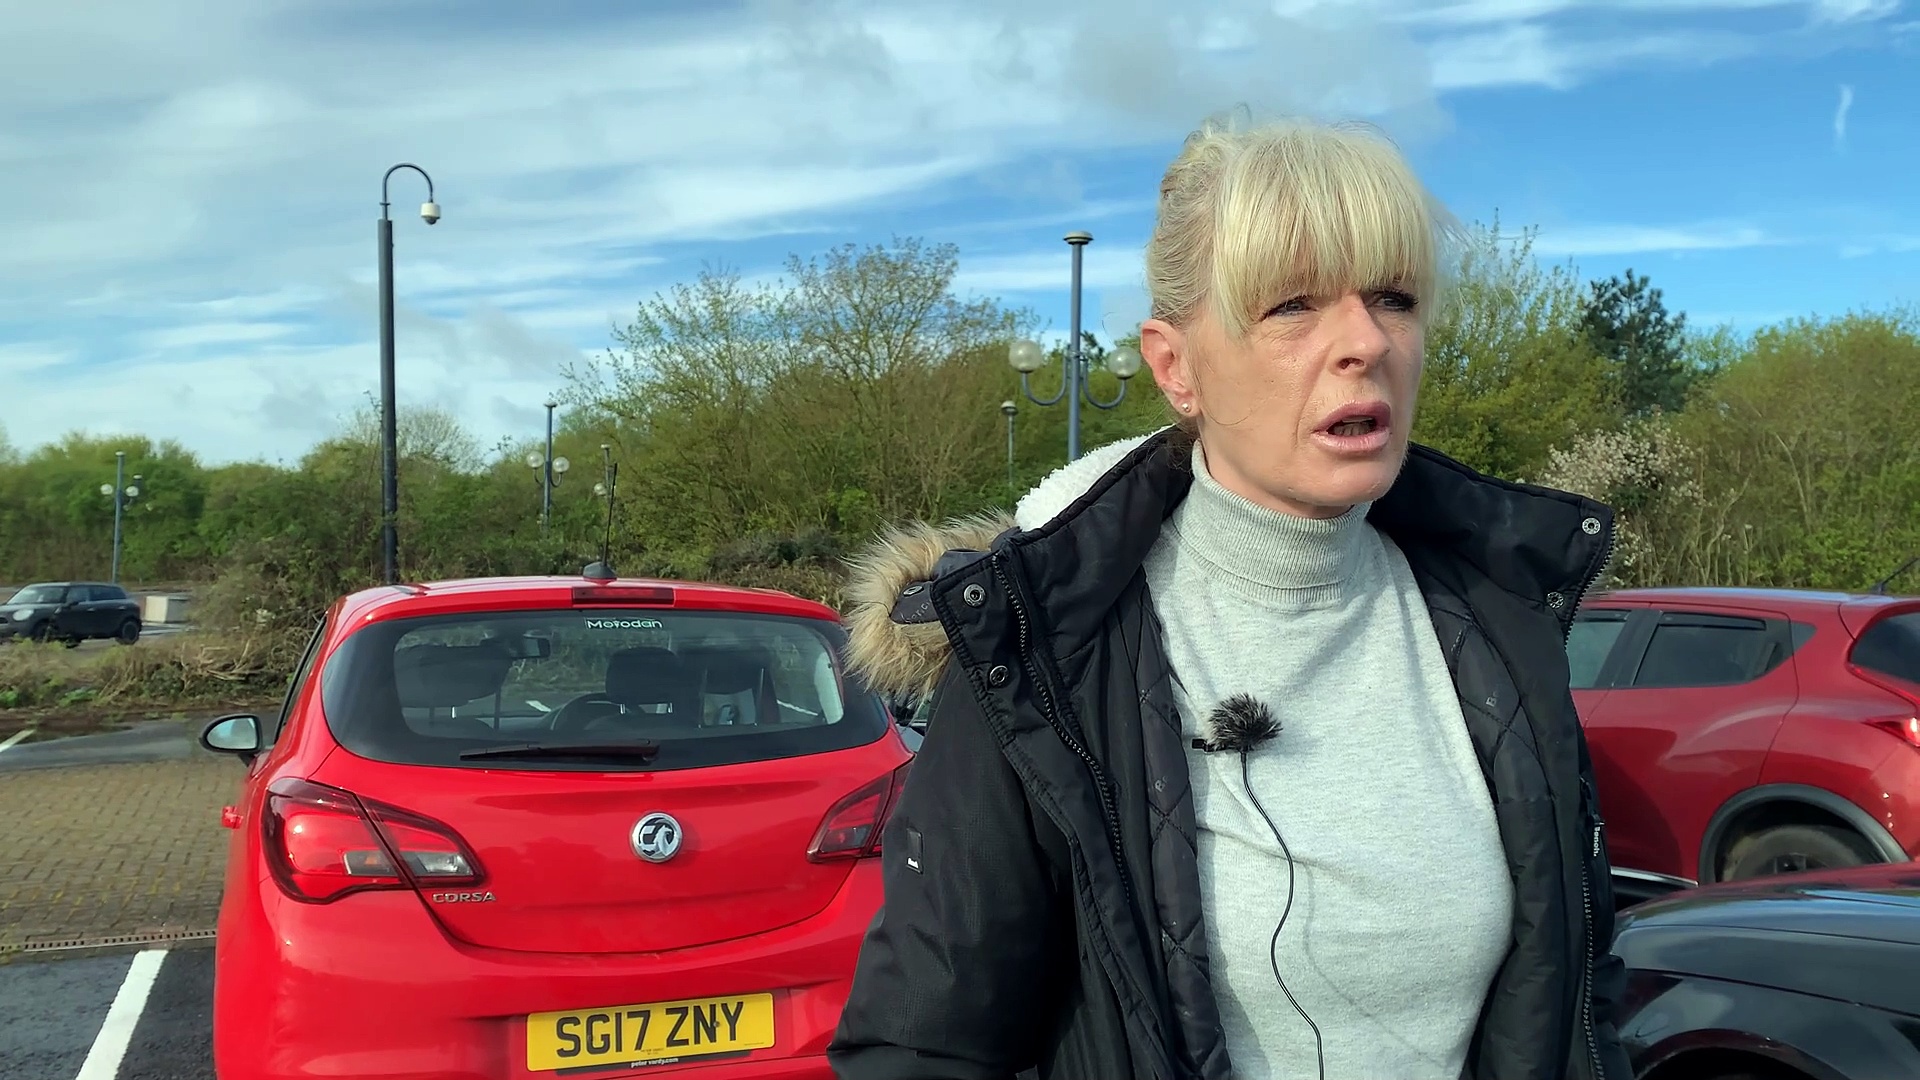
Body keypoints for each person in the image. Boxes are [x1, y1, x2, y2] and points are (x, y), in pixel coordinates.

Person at [825, 114, 1633, 1080]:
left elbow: (1580, 995)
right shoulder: (1040, 655)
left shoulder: (1505, 618)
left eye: (1394, 296)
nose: (1365, 341)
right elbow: (923, 1049)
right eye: (1292, 304)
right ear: (1175, 367)